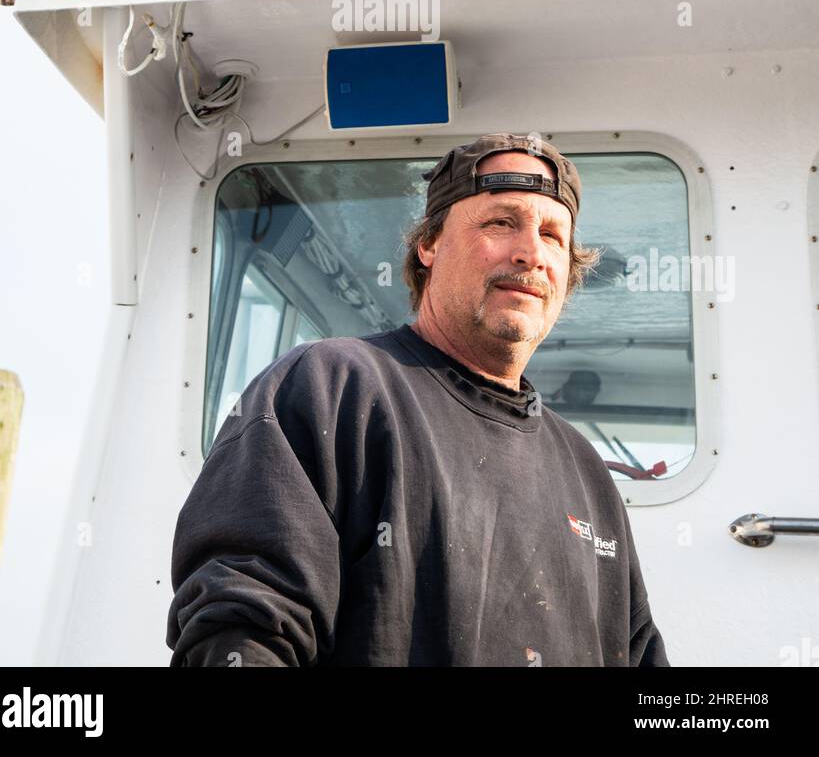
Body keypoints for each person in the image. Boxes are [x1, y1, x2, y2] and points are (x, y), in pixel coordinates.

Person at [166, 132, 670, 667]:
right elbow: (244, 618)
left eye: (552, 235)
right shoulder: (332, 385)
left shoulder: (587, 472)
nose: (531, 254)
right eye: (501, 222)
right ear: (428, 244)